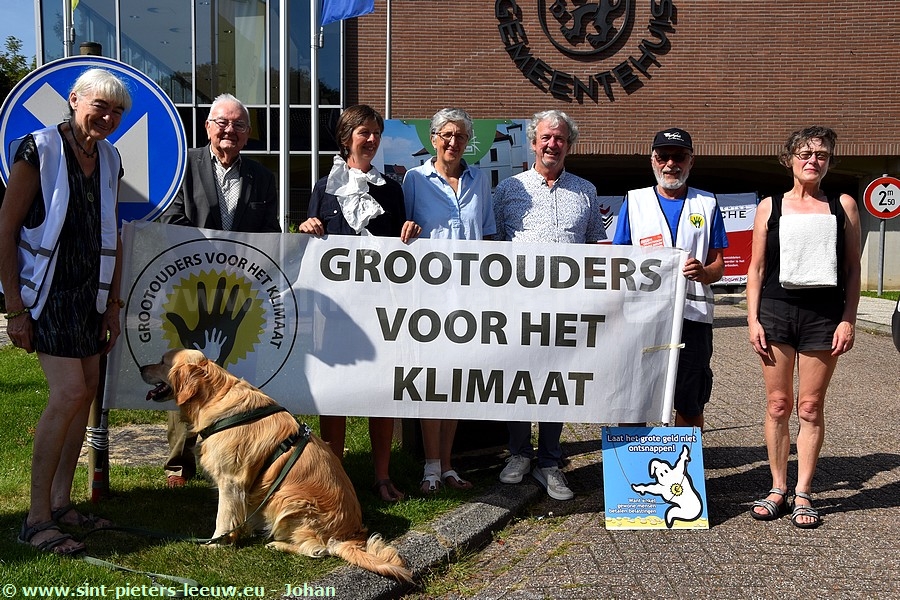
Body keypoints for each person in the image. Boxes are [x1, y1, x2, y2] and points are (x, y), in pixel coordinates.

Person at [0, 68, 131, 555]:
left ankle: (61, 503)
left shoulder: (111, 157)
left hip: (91, 298)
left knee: (87, 391)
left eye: (118, 112)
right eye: (101, 106)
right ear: (74, 100)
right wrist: (14, 308)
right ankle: (34, 520)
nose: (109, 117)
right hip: (47, 296)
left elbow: (112, 233)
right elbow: (6, 227)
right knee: (69, 392)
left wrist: (113, 305)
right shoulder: (39, 148)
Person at [298, 104, 421, 502]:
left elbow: (404, 247)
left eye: (376, 134)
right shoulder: (324, 187)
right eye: (363, 132)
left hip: (380, 306)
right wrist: (306, 226)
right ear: (346, 137)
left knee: (380, 390)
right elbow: (310, 242)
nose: (370, 140)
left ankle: (382, 476)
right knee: (334, 391)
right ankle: (334, 474)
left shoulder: (391, 189)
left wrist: (409, 230)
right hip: (335, 309)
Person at [160, 93, 281, 488]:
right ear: (208, 127)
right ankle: (179, 463)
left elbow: (268, 234)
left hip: (238, 295)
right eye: (222, 123)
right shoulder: (186, 165)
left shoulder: (263, 177)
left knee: (235, 374)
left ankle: (228, 453)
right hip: (191, 290)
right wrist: (210, 256)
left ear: (248, 133)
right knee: (187, 374)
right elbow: (172, 219)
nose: (230, 130)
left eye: (239, 125)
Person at [747, 126, 860, 529]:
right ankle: (777, 488)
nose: (813, 160)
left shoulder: (842, 205)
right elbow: (756, 268)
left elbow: (852, 269)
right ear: (789, 158)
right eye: (805, 153)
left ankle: (803, 492)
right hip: (776, 312)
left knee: (810, 408)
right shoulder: (769, 206)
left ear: (829, 161)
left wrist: (848, 319)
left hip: (824, 317)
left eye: (822, 155)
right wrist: (752, 318)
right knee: (778, 405)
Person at [492, 109, 606, 501]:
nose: (552, 144)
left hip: (568, 305)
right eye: (546, 137)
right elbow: (493, 250)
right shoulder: (508, 190)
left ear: (568, 145)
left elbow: (596, 250)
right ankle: (519, 454)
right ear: (532, 141)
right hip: (519, 304)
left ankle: (550, 461)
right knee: (519, 381)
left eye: (560, 139)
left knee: (557, 383)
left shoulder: (586, 191)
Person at [402, 108, 496, 494]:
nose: (453, 142)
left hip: (470, 297)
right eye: (446, 134)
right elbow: (401, 233)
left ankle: (449, 464)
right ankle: (429, 466)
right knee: (430, 381)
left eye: (460, 136)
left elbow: (488, 235)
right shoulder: (413, 180)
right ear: (433, 137)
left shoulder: (481, 181)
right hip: (429, 296)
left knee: (456, 382)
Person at [612, 128, 728, 429]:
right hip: (643, 317)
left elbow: (719, 264)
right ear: (653, 160)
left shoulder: (708, 203)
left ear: (691, 161)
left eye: (679, 157)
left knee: (691, 397)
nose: (670, 164)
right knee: (635, 396)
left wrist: (704, 273)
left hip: (693, 317)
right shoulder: (635, 201)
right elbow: (619, 261)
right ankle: (632, 462)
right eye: (663, 156)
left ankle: (684, 466)